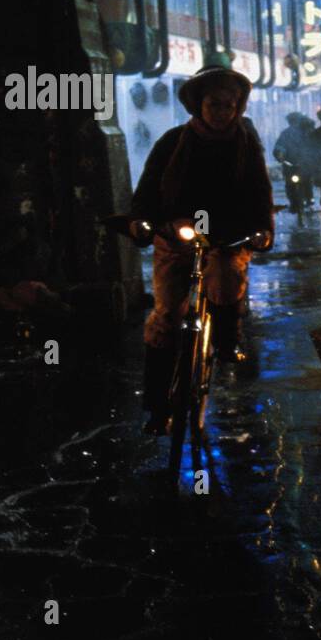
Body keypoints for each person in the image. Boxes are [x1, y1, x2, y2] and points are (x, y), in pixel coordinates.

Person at [127, 63, 274, 436]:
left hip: (227, 237)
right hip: (177, 235)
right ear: (199, 106)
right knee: (166, 318)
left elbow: (260, 193)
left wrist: (263, 231)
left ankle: (227, 339)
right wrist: (141, 220)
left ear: (237, 107)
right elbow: (147, 190)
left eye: (228, 105)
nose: (221, 112)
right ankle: (158, 408)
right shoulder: (173, 142)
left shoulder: (246, 145)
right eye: (214, 105)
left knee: (225, 281)